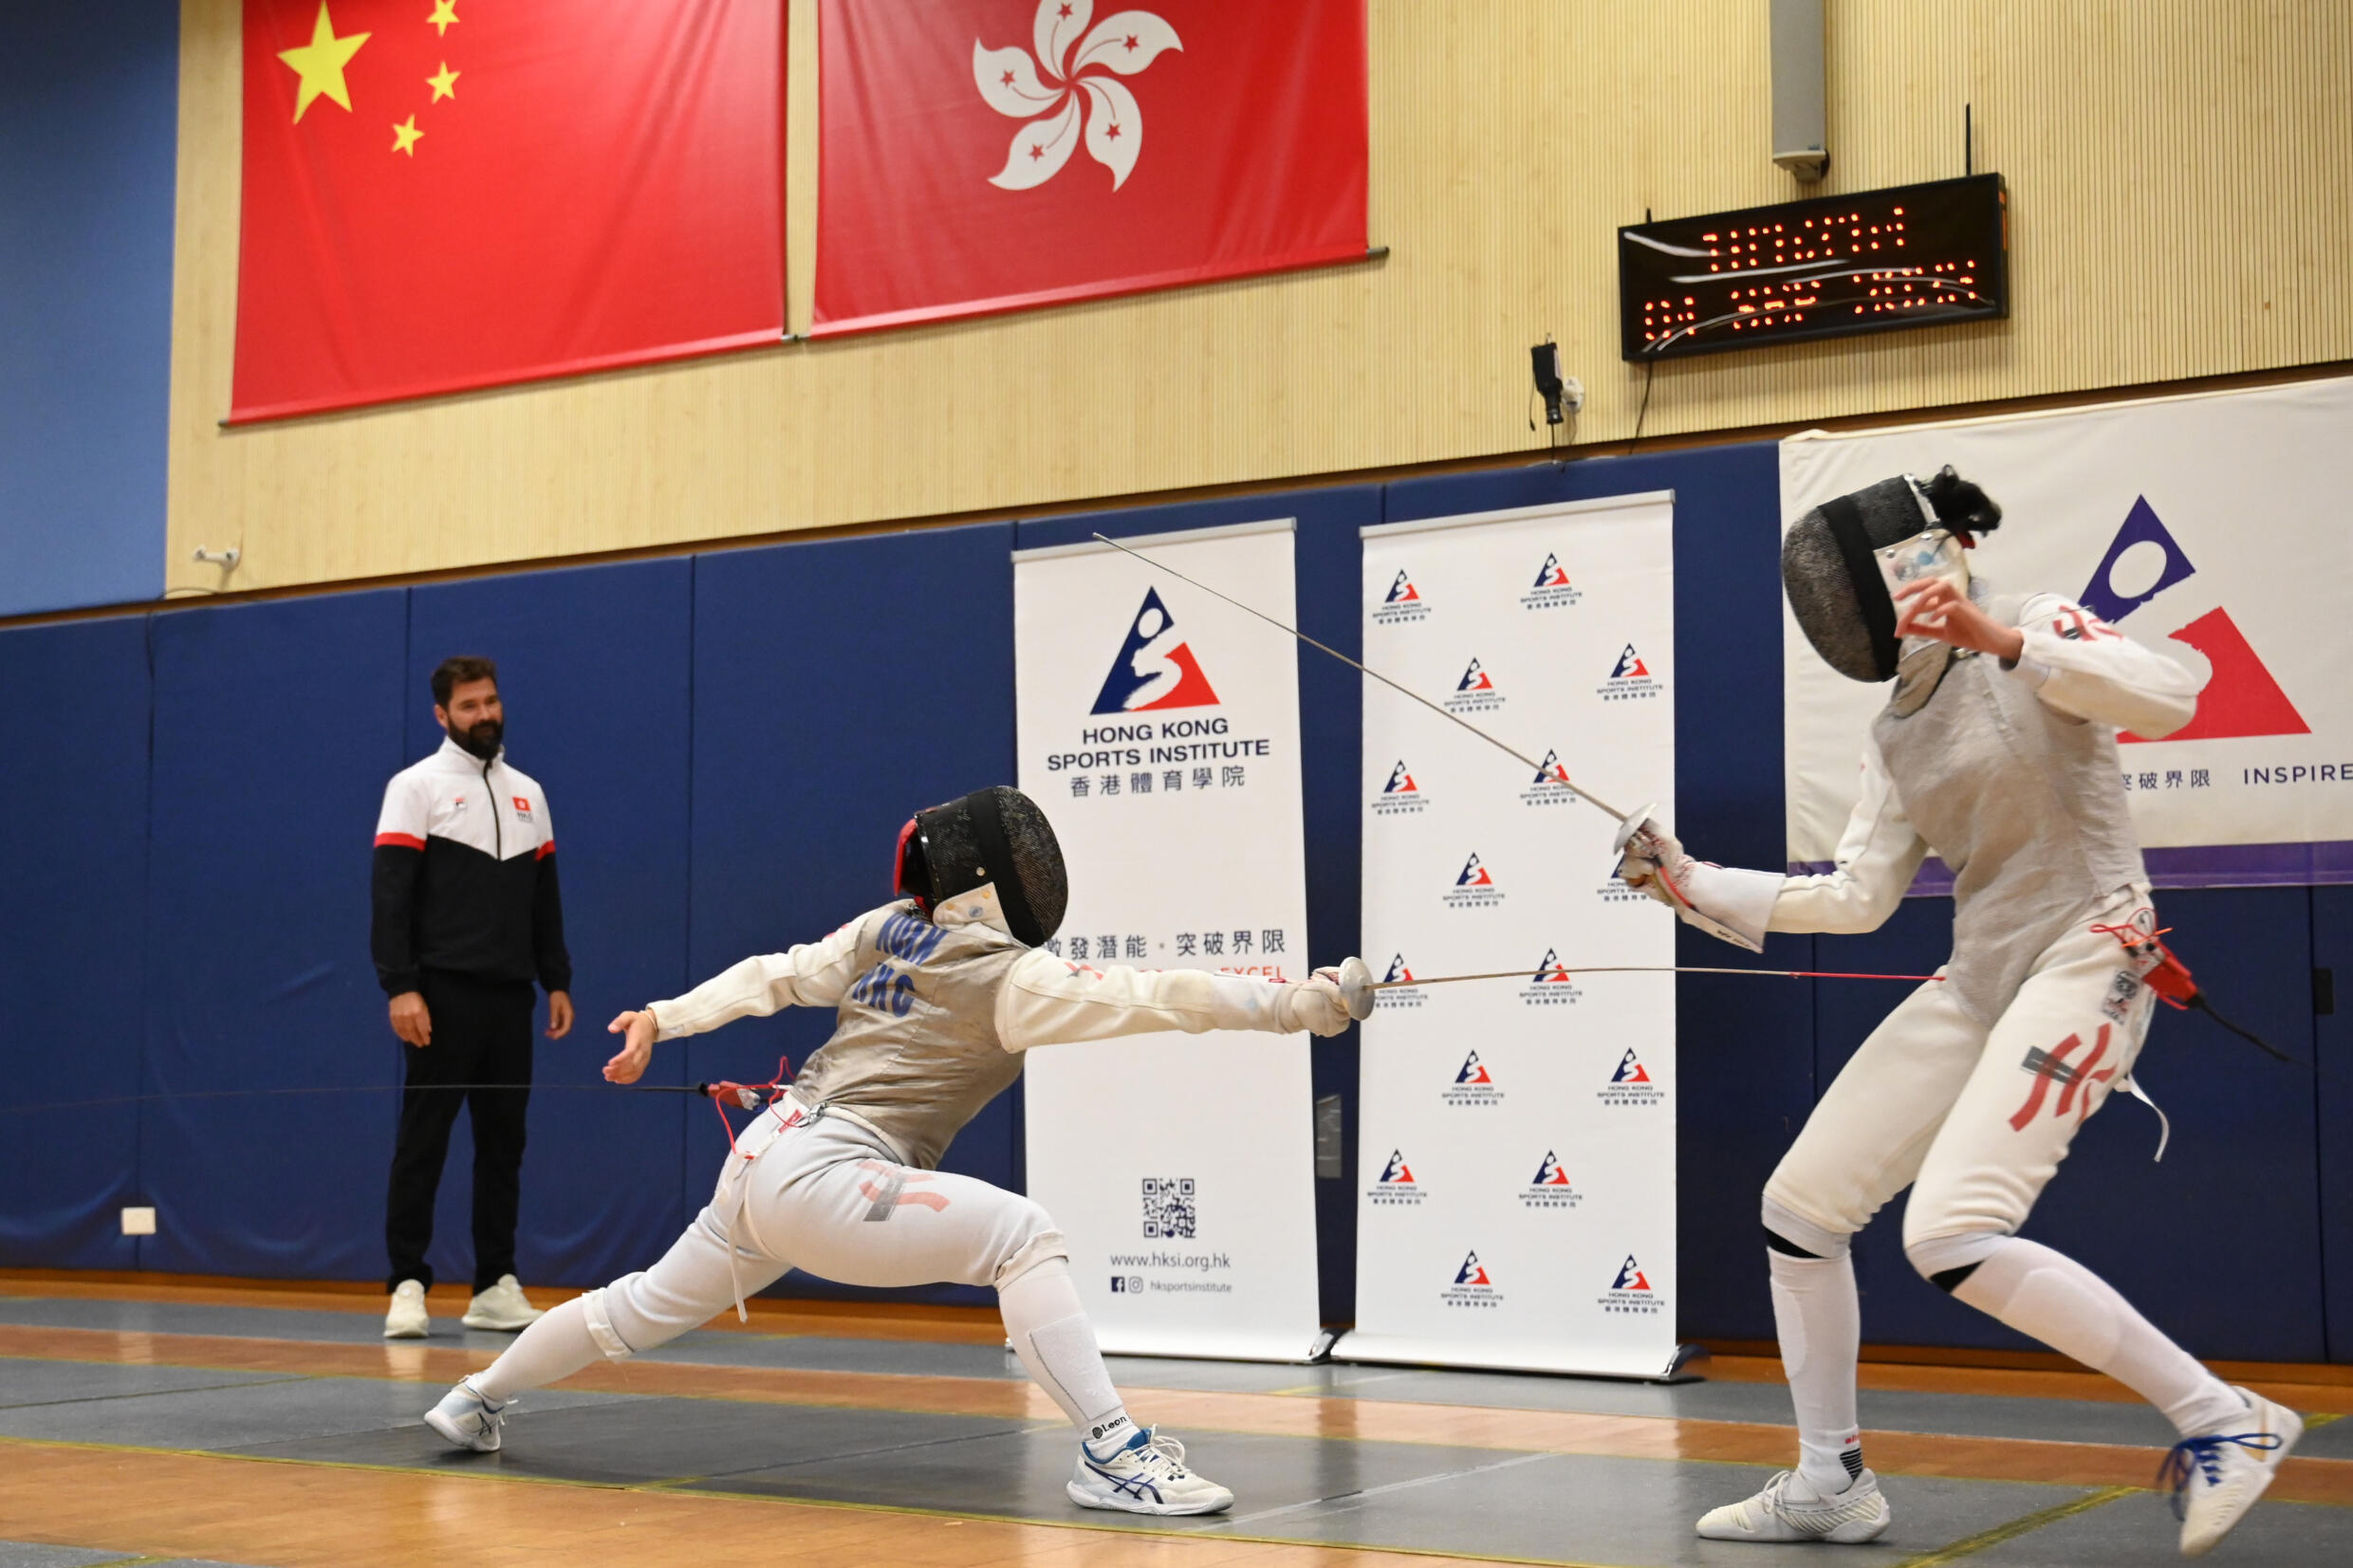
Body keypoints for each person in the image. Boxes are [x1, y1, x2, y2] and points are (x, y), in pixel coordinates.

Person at [1619, 470, 2300, 1559]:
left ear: (1910, 561)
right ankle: (1827, 1478)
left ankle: (2228, 1419)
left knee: (1949, 1233)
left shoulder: (2031, 629)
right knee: (1797, 1209)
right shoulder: (1893, 729)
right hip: (1980, 977)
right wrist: (1688, 882)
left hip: (2091, 955)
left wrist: (2002, 637)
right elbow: (1853, 898)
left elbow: (2170, 695)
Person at [420, 784, 1371, 1517]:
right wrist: (1305, 1004)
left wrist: (661, 1021)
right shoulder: (1013, 978)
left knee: (634, 1309)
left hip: (765, 1158)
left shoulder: (885, 932)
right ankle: (1111, 1455)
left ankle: (474, 1399)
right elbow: (1160, 995)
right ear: (994, 879)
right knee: (1021, 1237)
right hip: (822, 1172)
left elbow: (773, 976)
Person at [372, 655, 574, 1339]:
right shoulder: (414, 787)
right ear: (441, 714)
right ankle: (406, 1282)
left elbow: (544, 897)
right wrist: (401, 985)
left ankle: (494, 1282)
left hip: (510, 997)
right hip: (439, 993)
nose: (483, 714)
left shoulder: (530, 792)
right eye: (467, 706)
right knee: (423, 1140)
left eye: (489, 700)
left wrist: (557, 978)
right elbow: (390, 897)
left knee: (503, 1143)